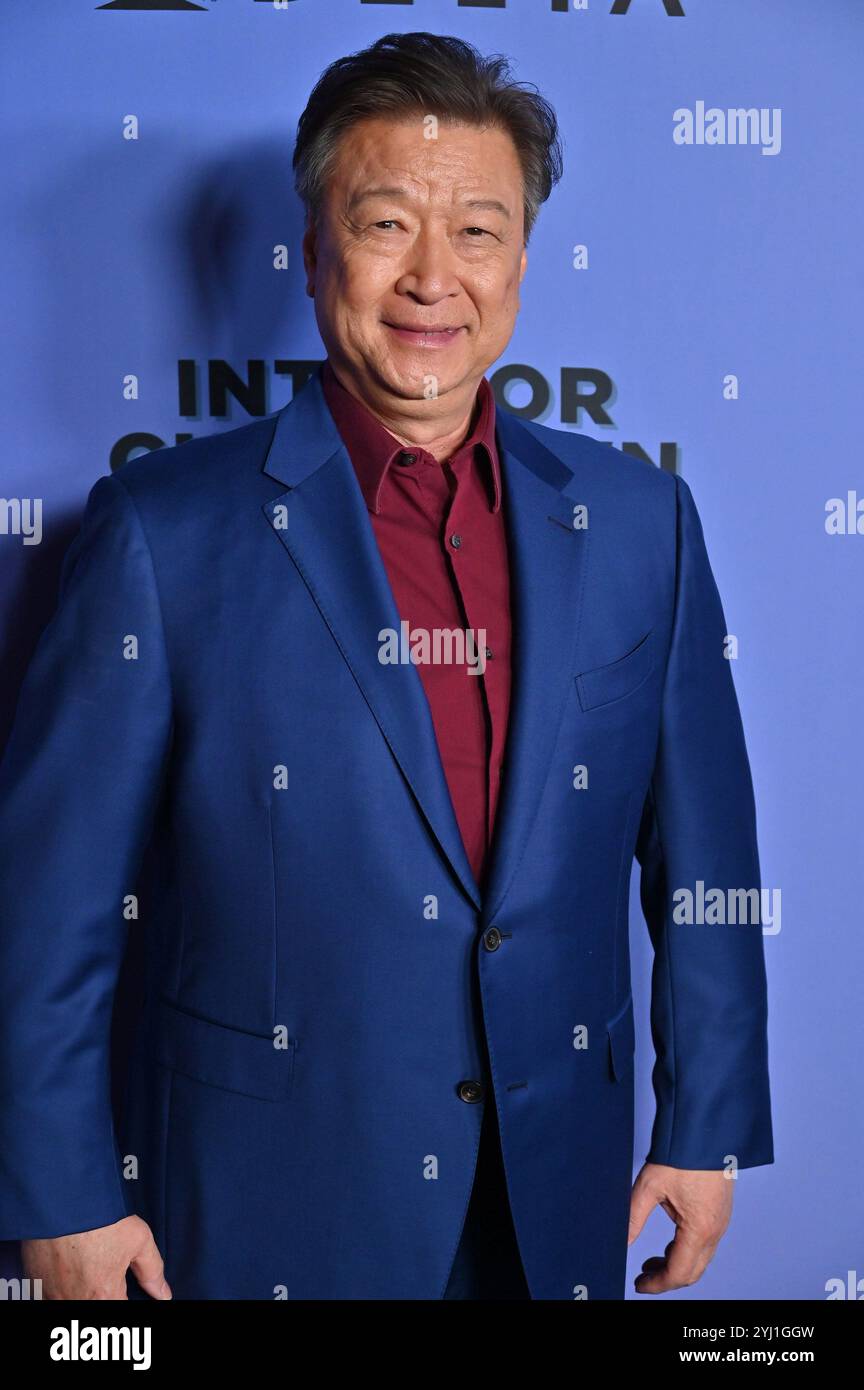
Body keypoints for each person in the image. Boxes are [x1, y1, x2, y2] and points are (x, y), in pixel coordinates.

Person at [0, 32, 773, 1301]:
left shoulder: (643, 524)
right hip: (263, 1206)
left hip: (553, 1196)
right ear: (313, 254)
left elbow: (706, 858)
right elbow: (53, 909)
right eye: (384, 223)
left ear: (523, 260)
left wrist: (711, 1120)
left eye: (478, 229)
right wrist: (62, 1188)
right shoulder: (161, 532)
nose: (433, 276)